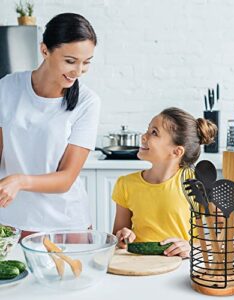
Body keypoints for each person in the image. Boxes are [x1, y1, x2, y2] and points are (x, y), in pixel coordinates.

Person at [0, 13, 100, 237]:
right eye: (70, 61)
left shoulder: (87, 102)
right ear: (45, 50)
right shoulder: (6, 88)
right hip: (12, 221)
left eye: (86, 62)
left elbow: (66, 178)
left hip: (66, 223)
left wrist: (19, 180)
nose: (78, 71)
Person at [112, 107, 217, 257]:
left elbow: (225, 234)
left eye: (154, 132)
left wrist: (193, 247)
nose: (143, 136)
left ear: (176, 152)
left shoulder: (195, 183)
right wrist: (122, 237)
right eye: (148, 130)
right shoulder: (125, 184)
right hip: (137, 263)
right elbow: (117, 238)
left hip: (181, 265)